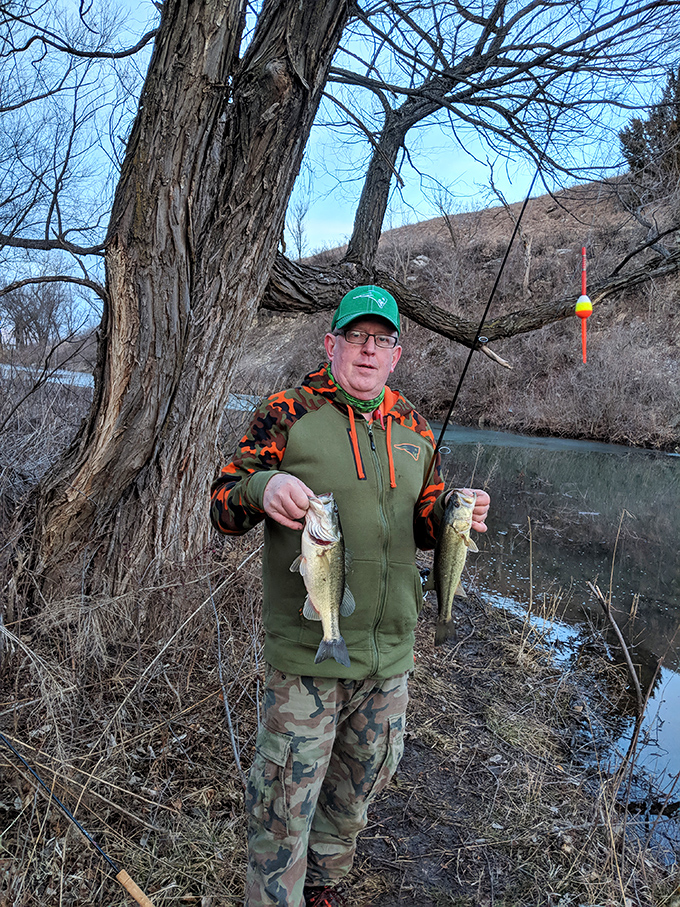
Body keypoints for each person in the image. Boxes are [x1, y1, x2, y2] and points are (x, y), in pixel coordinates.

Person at [210, 286, 490, 907]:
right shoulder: (289, 410)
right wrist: (263, 487)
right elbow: (223, 505)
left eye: (381, 340)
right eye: (356, 337)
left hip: (390, 653)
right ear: (331, 343)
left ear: (397, 354)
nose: (368, 350)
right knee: (285, 799)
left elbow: (424, 519)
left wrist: (453, 515)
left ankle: (324, 886)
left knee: (357, 786)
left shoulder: (415, 425)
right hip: (308, 652)